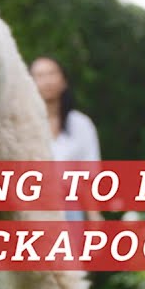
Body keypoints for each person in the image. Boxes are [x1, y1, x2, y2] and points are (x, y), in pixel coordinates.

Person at [29, 55, 103, 220]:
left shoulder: (81, 124)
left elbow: (88, 176)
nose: (47, 81)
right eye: (40, 76)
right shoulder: (22, 124)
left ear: (63, 81)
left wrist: (94, 217)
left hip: (70, 208)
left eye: (51, 74)